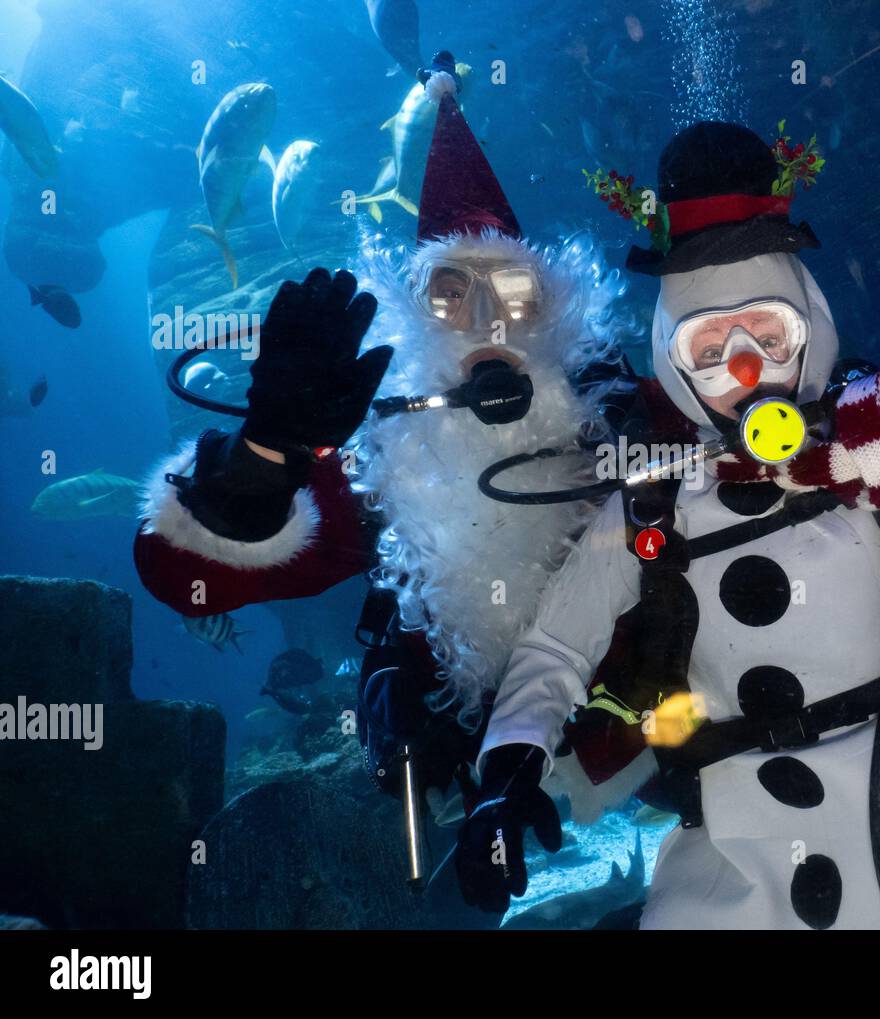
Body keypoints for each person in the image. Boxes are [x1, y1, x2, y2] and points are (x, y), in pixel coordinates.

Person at [454, 53, 880, 928]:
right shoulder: (649, 508)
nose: (744, 372)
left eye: (768, 335)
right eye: (710, 348)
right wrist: (504, 779)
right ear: (674, 361)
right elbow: (554, 651)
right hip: (736, 873)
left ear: (812, 331)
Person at [134, 62, 630, 826]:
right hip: (468, 776)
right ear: (416, 314)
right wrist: (268, 453)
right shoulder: (388, 463)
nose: (485, 321)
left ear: (559, 309)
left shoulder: (619, 425)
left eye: (517, 294)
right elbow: (179, 574)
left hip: (638, 751)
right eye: (449, 292)